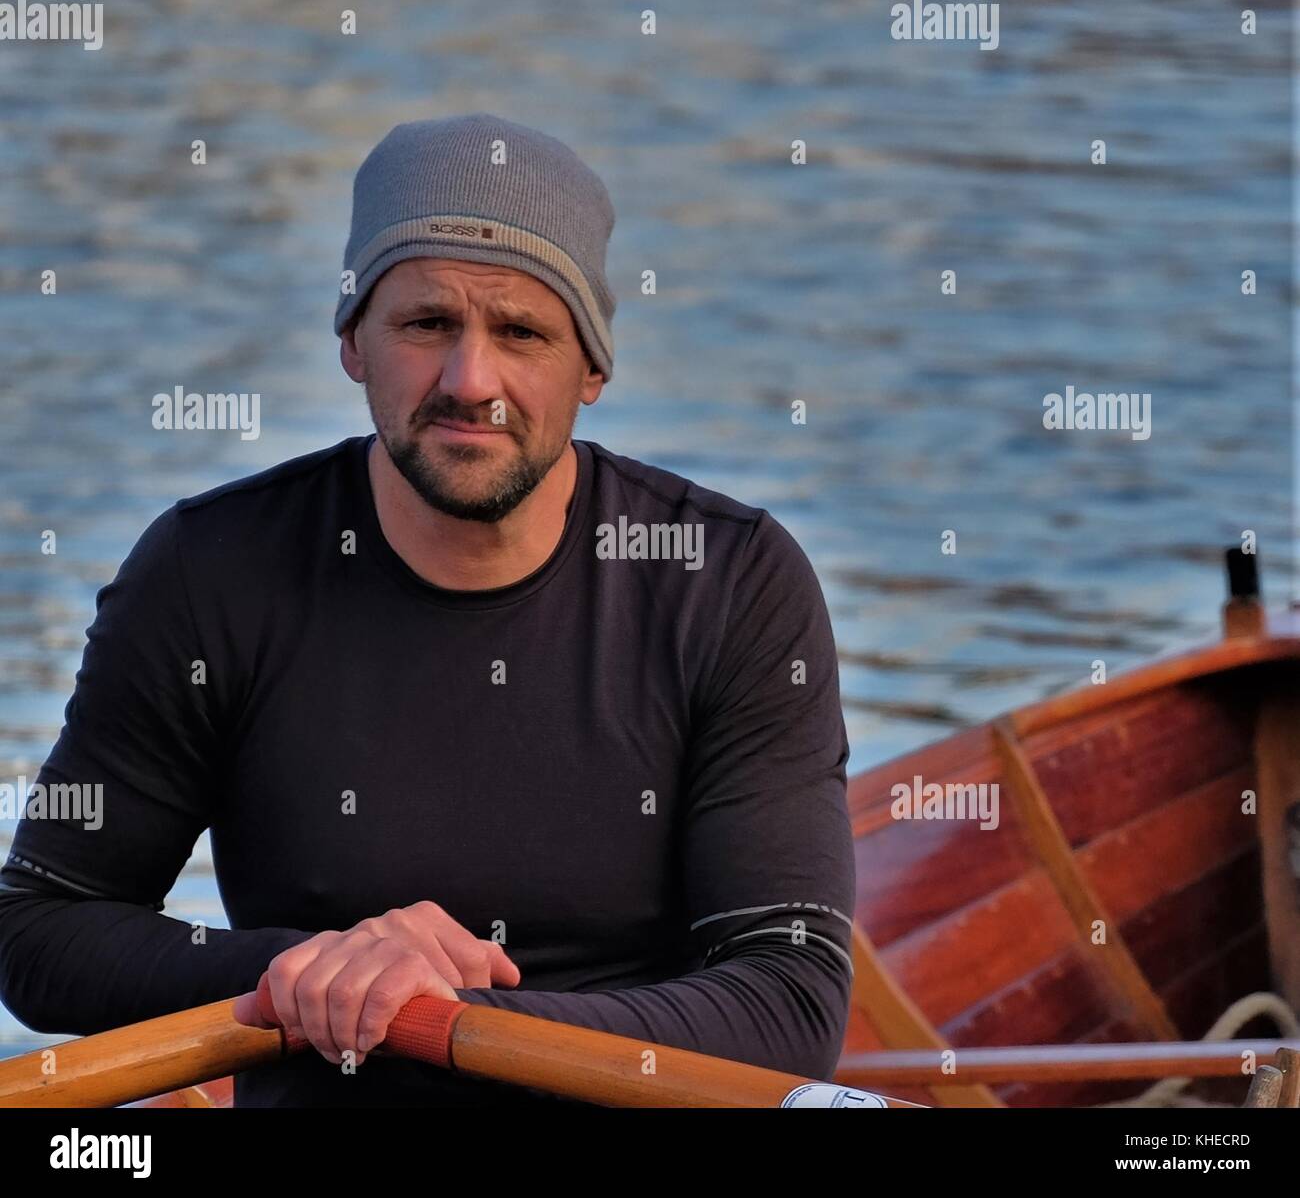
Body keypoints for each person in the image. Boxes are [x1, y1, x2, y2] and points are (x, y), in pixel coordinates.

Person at [0, 113, 856, 1107]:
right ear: (353, 341)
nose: (469, 382)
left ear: (592, 368)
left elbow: (791, 1006)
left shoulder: (729, 583)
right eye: (425, 324)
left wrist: (432, 1013)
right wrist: (309, 968)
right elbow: (40, 925)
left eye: (521, 332)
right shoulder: (209, 572)